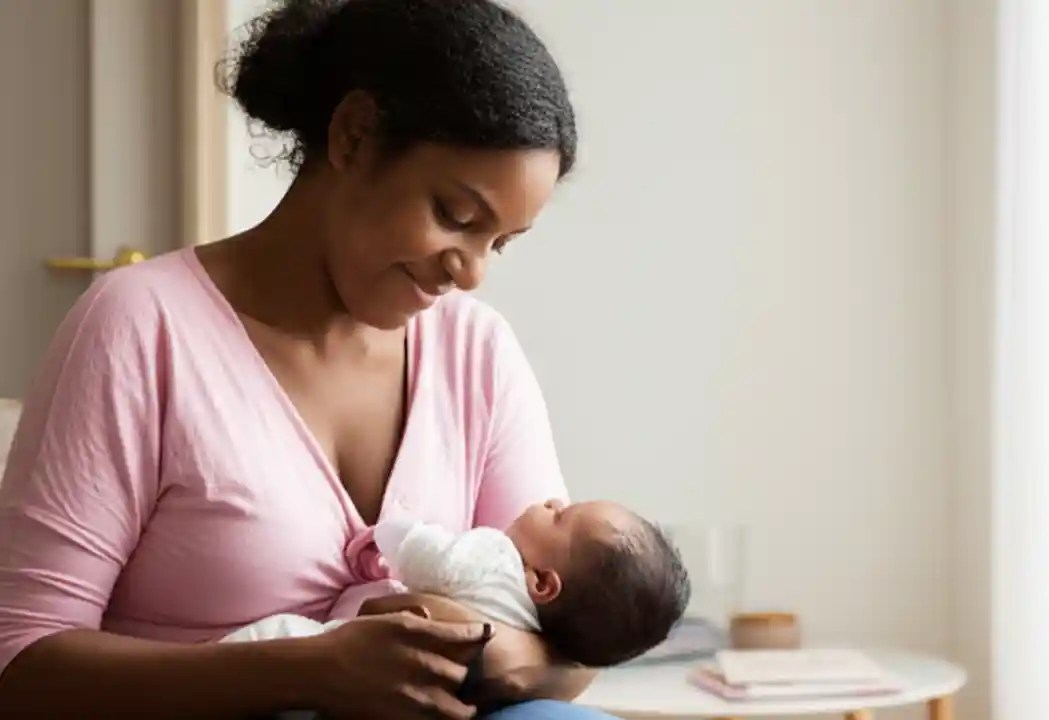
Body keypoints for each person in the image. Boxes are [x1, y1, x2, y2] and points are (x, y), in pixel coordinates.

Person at [0, 1, 619, 718]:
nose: (471, 271)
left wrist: (486, 653)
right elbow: (22, 663)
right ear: (354, 137)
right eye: (455, 216)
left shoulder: (476, 352)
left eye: (500, 242)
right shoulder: (141, 327)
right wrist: (304, 670)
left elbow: (571, 644)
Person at [226, 499, 692, 670]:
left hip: (332, 657)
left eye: (561, 516)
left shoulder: (494, 561)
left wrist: (393, 531)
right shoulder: (537, 627)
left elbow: (432, 559)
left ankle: (217, 662)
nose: (552, 500)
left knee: (276, 637)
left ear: (544, 583)